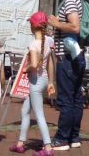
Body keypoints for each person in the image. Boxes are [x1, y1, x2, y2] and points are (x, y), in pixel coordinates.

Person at [47, 0, 85, 151]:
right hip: (77, 56)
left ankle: (62, 139)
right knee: (76, 98)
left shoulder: (69, 2)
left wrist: (57, 24)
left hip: (68, 58)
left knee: (67, 99)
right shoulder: (78, 1)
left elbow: (75, 27)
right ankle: (73, 137)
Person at [11, 12, 55, 155]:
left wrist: (26, 68)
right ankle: (20, 143)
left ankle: (48, 147)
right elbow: (50, 63)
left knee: (39, 115)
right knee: (25, 111)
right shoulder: (49, 40)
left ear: (33, 26)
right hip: (43, 80)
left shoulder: (33, 44)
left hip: (35, 82)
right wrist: (51, 82)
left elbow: (34, 65)